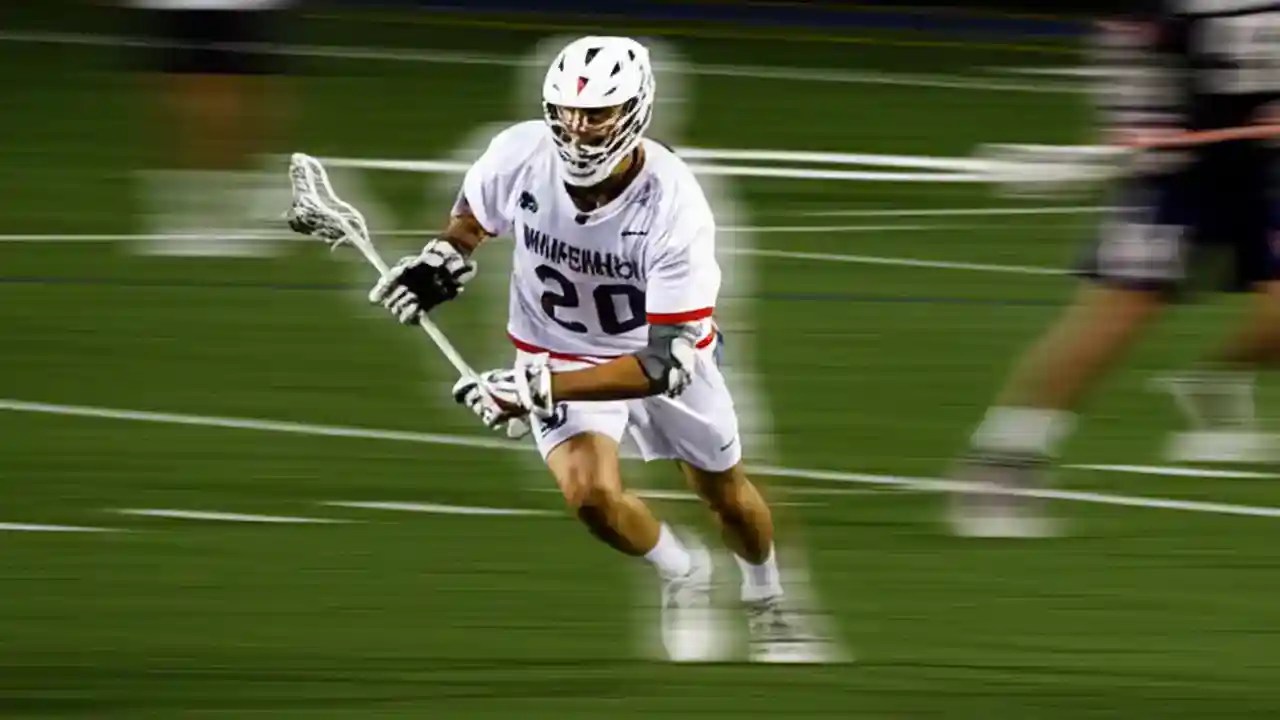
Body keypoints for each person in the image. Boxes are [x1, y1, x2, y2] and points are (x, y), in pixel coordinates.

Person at [367, 35, 840, 663]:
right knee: (590, 497)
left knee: (724, 491)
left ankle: (767, 598)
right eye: (564, 111)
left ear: (635, 111)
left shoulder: (675, 203)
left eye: (595, 114)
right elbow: (473, 218)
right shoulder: (520, 152)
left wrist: (536, 390)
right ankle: (683, 573)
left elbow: (664, 362)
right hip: (555, 345)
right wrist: (441, 262)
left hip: (658, 351)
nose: (576, 127)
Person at [951, 0, 1280, 537]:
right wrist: (1126, 144)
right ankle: (1004, 463)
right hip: (1178, 172)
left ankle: (1215, 386)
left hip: (1263, 165)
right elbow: (1134, 74)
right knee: (1123, 310)